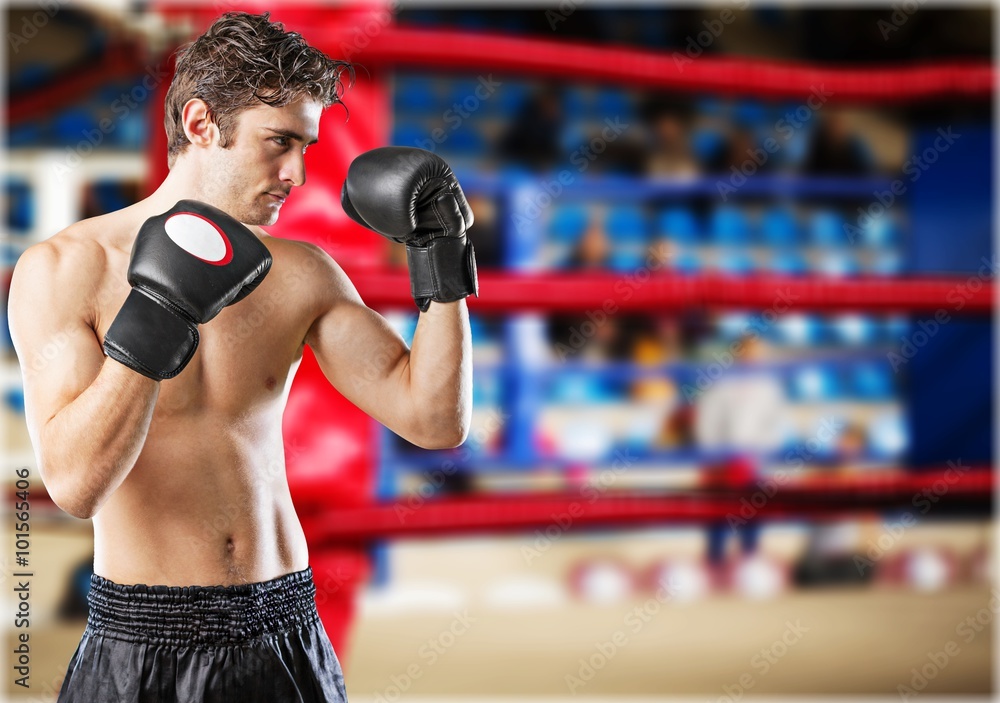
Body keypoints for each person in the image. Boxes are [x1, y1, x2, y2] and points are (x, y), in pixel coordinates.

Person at [7, 12, 477, 703]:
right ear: (201, 124)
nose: (298, 174)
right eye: (278, 143)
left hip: (285, 628)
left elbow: (433, 419)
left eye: (307, 147)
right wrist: (158, 316)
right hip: (143, 640)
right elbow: (77, 485)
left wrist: (442, 259)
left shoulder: (303, 272)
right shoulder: (66, 268)